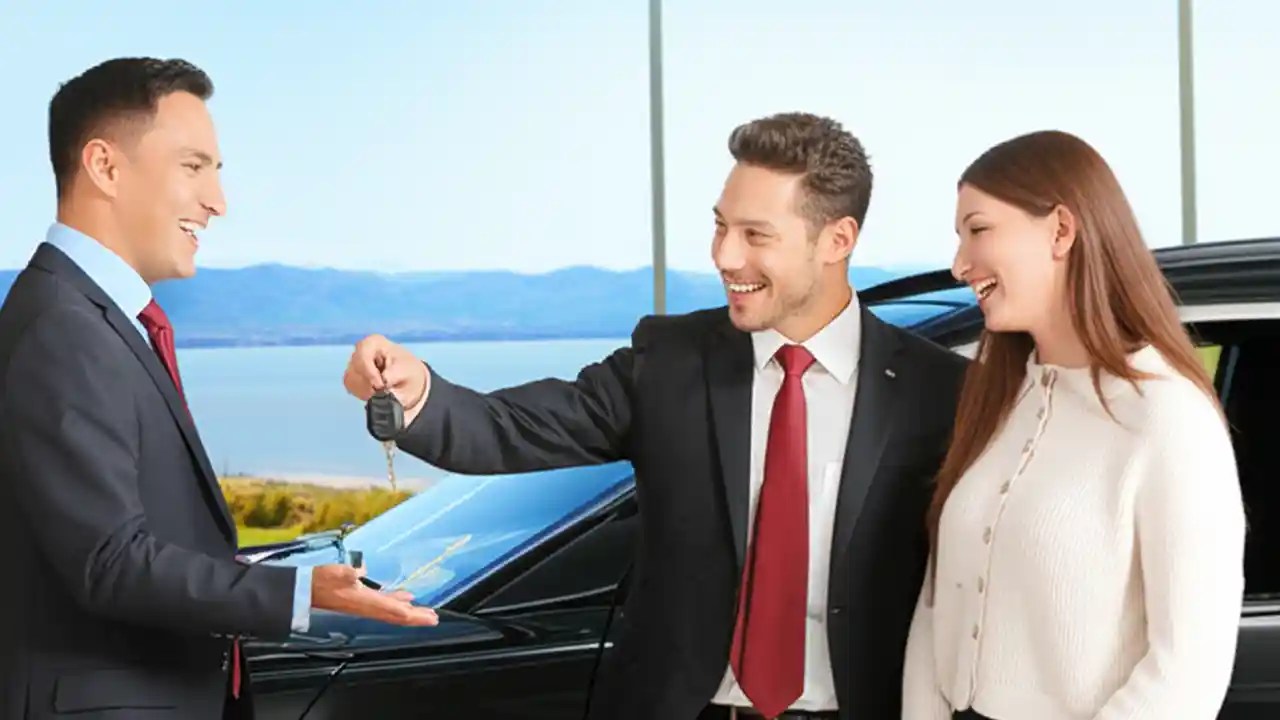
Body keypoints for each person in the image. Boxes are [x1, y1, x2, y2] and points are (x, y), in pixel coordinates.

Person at [343, 112, 967, 719]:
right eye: (720, 226)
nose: (724, 256)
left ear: (838, 239)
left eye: (756, 235)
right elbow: (512, 428)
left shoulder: (937, 390)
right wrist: (417, 391)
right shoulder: (669, 361)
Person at [0, 57, 438, 720]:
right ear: (105, 166)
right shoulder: (62, 326)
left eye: (216, 172)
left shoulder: (96, 318)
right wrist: (297, 591)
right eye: (192, 166)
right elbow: (109, 561)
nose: (217, 201)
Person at [901, 130, 1246, 720]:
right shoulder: (997, 404)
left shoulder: (1168, 419)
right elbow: (939, 610)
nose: (960, 264)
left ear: (1061, 230)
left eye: (979, 230)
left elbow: (1186, 673)